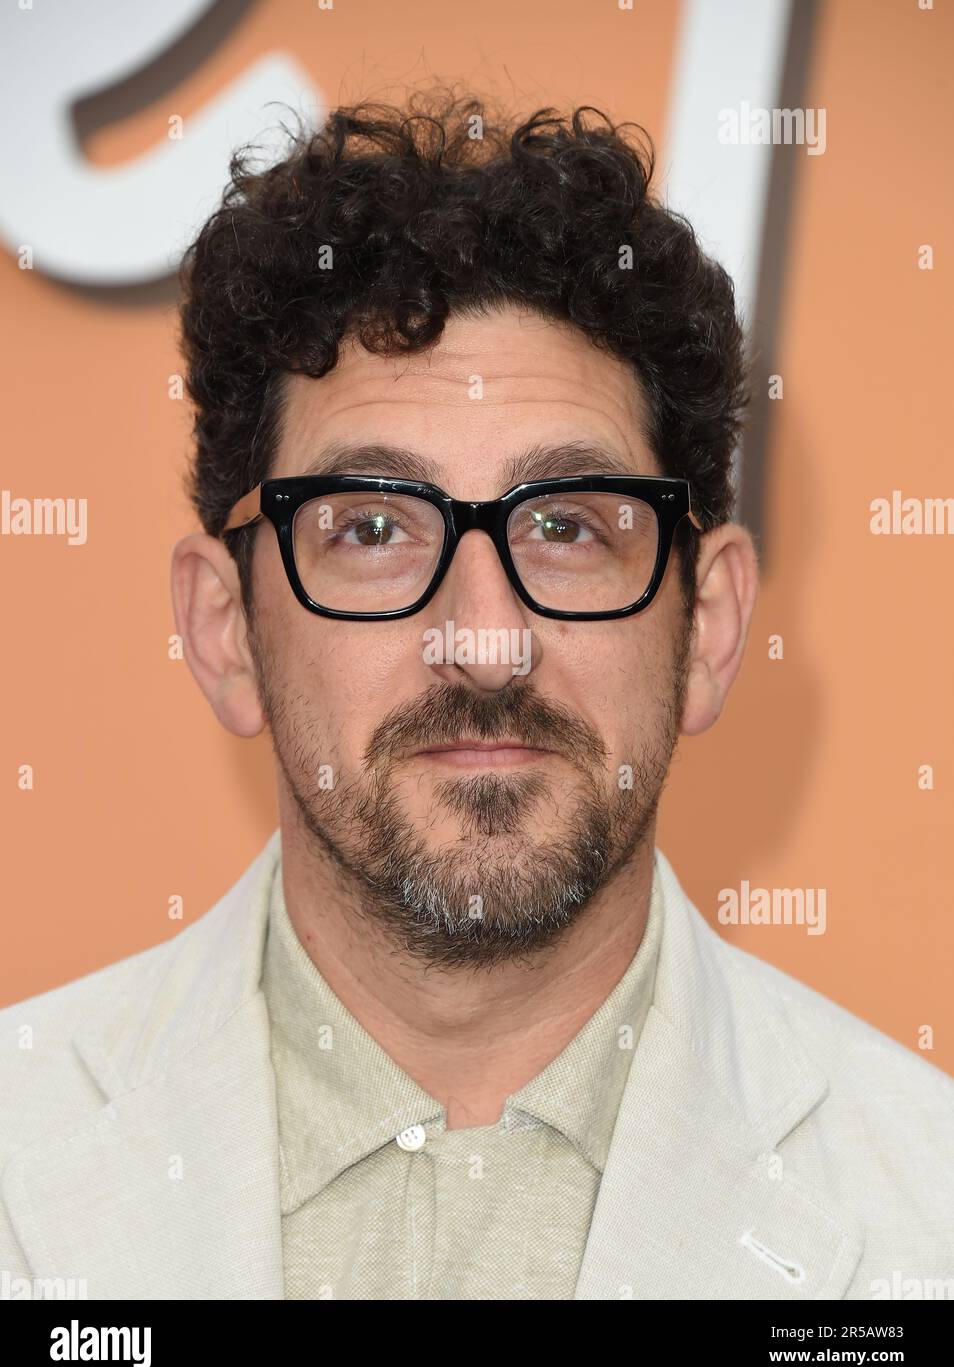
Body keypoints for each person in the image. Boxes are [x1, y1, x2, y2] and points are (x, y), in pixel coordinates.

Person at [2, 91, 952, 1302]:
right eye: (374, 529)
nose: (485, 641)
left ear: (708, 626)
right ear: (224, 629)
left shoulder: (931, 1205)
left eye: (565, 526)